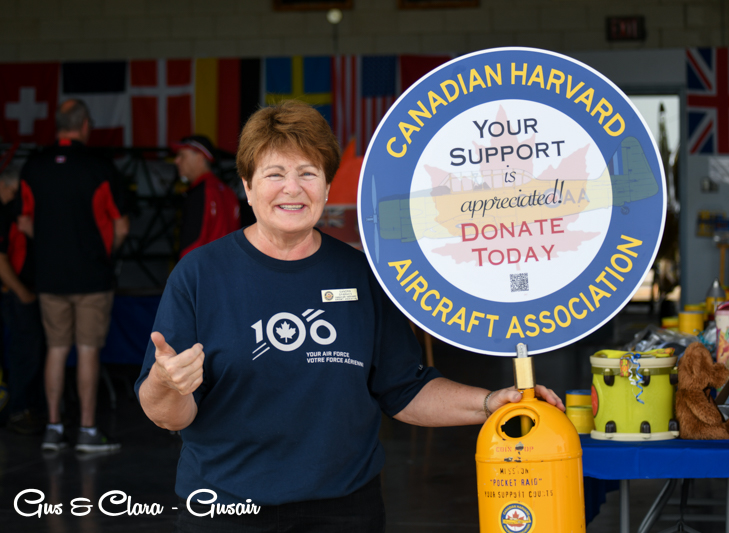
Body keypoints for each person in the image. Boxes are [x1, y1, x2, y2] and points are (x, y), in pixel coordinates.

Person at [135, 100, 563, 532]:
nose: (292, 187)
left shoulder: (360, 273)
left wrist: (491, 402)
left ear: (325, 186)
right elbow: (169, 415)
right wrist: (166, 383)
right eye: (274, 174)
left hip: (343, 512)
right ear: (247, 186)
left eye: (307, 172)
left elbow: (403, 388)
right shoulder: (199, 275)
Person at [21, 99, 130, 452]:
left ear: (56, 125)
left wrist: (52, 246)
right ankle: (86, 431)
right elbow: (122, 226)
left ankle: (53, 429)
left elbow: (24, 221)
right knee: (87, 351)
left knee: (55, 348)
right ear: (85, 125)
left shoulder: (33, 167)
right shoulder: (99, 167)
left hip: (49, 276)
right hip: (91, 276)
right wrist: (103, 254)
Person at [0, 161, 46, 435]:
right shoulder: (5, 212)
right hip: (16, 293)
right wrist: (22, 292)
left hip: (14, 291)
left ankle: (20, 409)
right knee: (24, 352)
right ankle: (19, 410)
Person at [171, 135, 241, 259]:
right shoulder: (228, 192)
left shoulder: (200, 192)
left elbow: (192, 245)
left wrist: (185, 275)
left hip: (204, 274)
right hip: (228, 271)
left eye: (182, 155)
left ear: (199, 158)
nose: (176, 161)